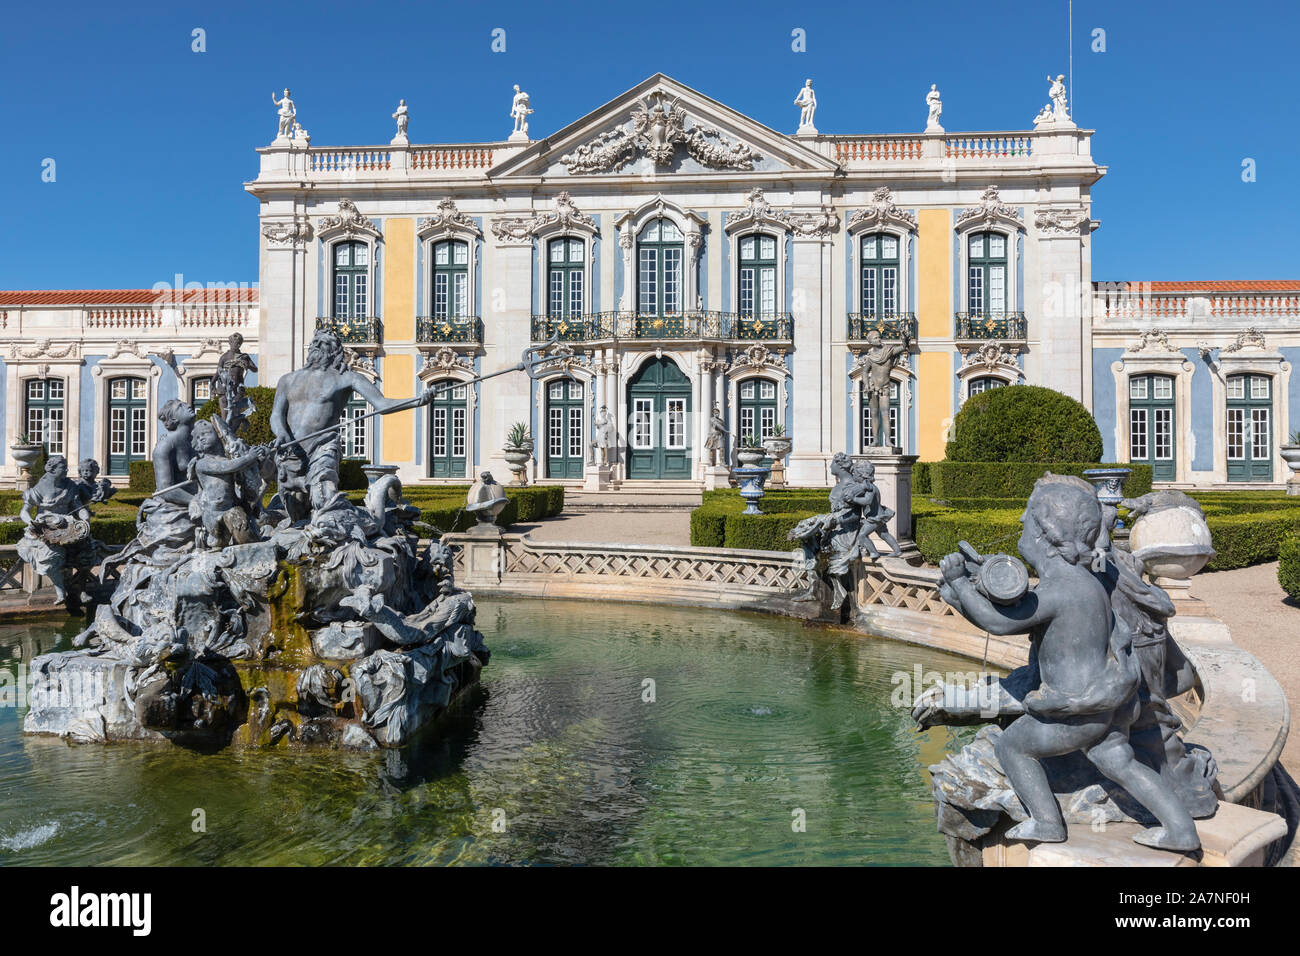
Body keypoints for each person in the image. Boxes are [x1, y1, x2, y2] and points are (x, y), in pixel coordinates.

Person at [936, 474, 1200, 851]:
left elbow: (1000, 622)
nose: (1020, 526)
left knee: (1012, 746)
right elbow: (1003, 612)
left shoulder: (1058, 589)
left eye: (1026, 520)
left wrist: (960, 583)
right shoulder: (1086, 583)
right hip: (1104, 705)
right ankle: (1180, 829)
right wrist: (958, 596)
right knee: (1119, 763)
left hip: (1072, 713)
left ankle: (1046, 823)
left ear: (1044, 534)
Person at [271, 329, 434, 521]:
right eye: (316, 342)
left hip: (322, 449)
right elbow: (276, 415)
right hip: (290, 452)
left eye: (324, 344)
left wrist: (417, 401)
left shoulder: (346, 378)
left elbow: (381, 404)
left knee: (324, 499)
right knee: (293, 508)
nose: (318, 346)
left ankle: (358, 528)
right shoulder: (288, 380)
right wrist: (281, 433)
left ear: (335, 351)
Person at [17, 454, 93, 606]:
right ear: (52, 469)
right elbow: (23, 512)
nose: (66, 470)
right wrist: (32, 522)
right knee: (51, 556)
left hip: (67, 526)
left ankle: (81, 589)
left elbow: (79, 508)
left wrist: (85, 519)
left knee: (88, 551)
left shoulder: (70, 486)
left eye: (66, 467)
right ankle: (60, 591)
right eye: (62, 468)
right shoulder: (40, 487)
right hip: (45, 528)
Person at [188, 421, 270, 549]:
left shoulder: (228, 460)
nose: (202, 438)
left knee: (243, 534)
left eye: (205, 433)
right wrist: (250, 457)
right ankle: (211, 539)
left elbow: (243, 476)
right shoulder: (202, 464)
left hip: (231, 511)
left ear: (218, 435)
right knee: (219, 542)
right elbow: (226, 467)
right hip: (212, 515)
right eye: (198, 437)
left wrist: (260, 457)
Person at [862, 329, 910, 446]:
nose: (878, 339)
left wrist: (905, 339)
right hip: (873, 388)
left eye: (879, 337)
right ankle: (875, 440)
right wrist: (867, 384)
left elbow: (903, 347)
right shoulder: (871, 357)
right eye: (875, 338)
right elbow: (864, 372)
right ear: (870, 342)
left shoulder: (889, 351)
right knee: (873, 414)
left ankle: (888, 440)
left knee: (885, 413)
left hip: (885, 388)